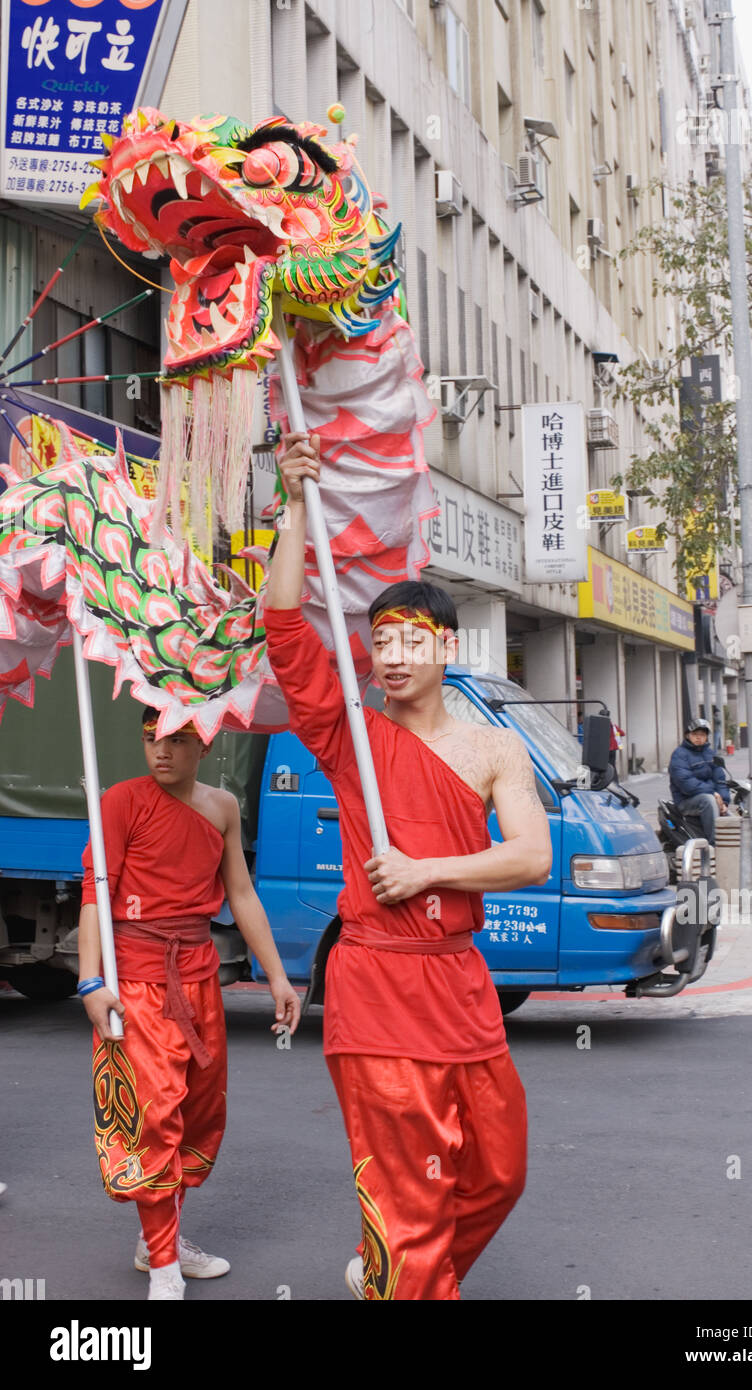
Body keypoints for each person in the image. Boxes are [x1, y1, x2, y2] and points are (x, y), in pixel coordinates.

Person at [264, 429, 552, 1301]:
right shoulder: (352, 736)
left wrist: (428, 872)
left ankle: (392, 1273)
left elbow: (531, 856)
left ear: (448, 651)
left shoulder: (495, 748)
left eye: (412, 640)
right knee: (409, 1195)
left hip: (459, 983)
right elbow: (283, 627)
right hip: (375, 987)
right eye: (380, 640)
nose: (391, 655)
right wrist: (291, 508)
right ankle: (407, 1276)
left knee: (497, 1172)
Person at [77, 710, 300, 1301]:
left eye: (177, 740)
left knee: (199, 1111)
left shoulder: (223, 807)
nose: (162, 753)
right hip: (137, 980)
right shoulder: (121, 801)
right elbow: (94, 894)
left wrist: (277, 976)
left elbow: (241, 893)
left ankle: (160, 1241)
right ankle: (165, 1266)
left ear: (205, 743)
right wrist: (89, 981)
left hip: (197, 977)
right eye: (151, 739)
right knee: (155, 1113)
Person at [668, 716, 730, 844]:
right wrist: (713, 793)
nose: (698, 737)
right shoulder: (679, 754)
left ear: (707, 737)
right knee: (708, 801)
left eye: (702, 734)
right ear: (687, 735)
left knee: (731, 820)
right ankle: (714, 844)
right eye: (695, 734)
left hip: (712, 797)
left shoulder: (710, 753)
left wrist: (724, 801)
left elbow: (720, 779)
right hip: (686, 800)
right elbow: (686, 783)